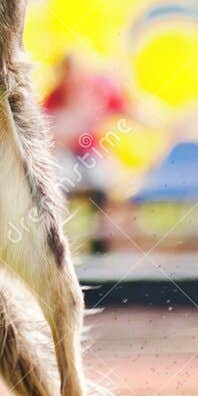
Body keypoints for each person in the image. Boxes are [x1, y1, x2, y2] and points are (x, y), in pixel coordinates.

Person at [42, 53, 132, 255]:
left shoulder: (94, 93)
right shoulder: (53, 98)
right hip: (65, 156)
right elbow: (52, 135)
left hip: (89, 154)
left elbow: (125, 110)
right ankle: (56, 241)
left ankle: (102, 245)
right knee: (58, 179)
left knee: (103, 180)